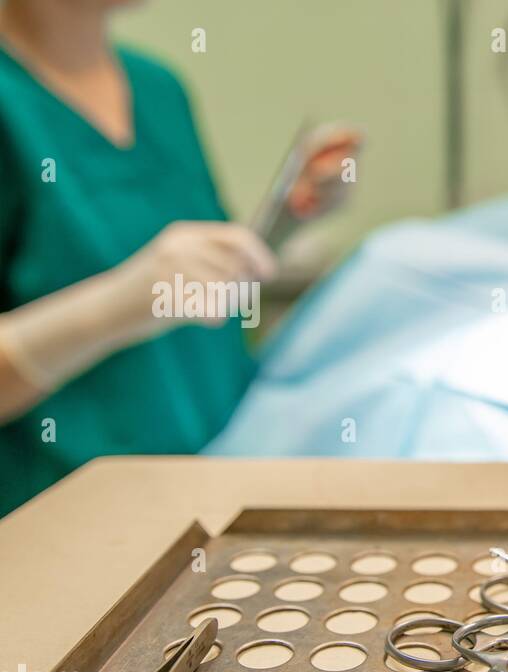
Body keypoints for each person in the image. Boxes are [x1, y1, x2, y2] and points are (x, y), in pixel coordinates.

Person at [0, 0, 349, 516]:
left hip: (215, 496)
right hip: (58, 526)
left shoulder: (158, 88)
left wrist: (284, 222)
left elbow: (199, 297)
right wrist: (113, 307)